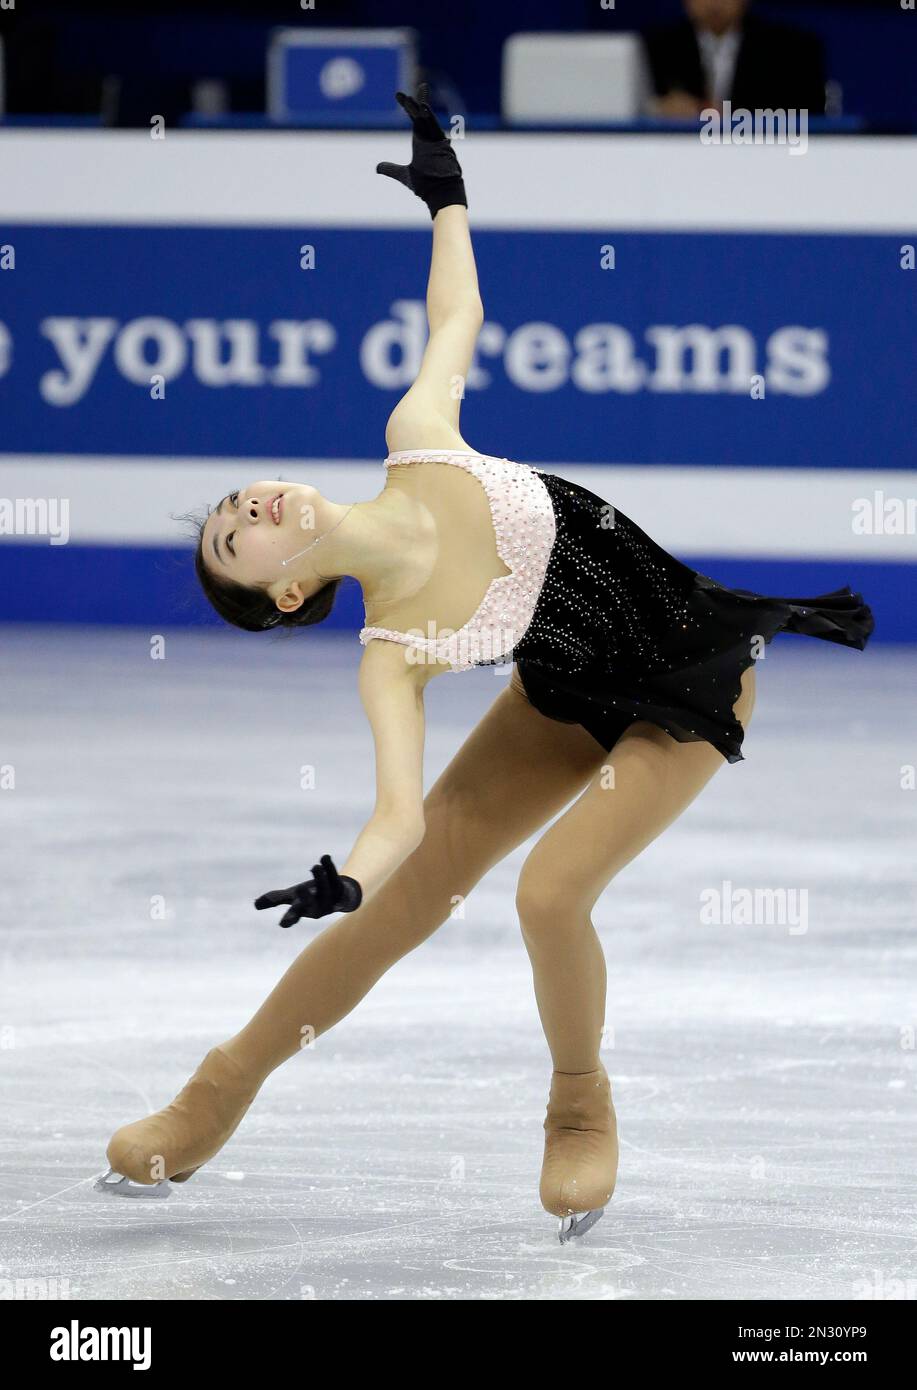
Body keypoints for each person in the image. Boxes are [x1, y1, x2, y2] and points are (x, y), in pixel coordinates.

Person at [97, 85, 872, 1243]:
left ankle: (577, 1106)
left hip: (689, 673)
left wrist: (445, 196)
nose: (244, 505)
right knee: (404, 902)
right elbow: (396, 814)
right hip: (561, 701)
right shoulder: (390, 651)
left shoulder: (418, 436)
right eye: (233, 539)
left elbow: (452, 312)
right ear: (287, 588)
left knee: (549, 890)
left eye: (230, 503)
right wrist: (349, 879)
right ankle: (214, 1096)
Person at [644, 0, 827, 119]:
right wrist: (657, 110)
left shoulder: (792, 50)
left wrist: (729, 115)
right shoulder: (654, 48)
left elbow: (809, 119)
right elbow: (632, 108)